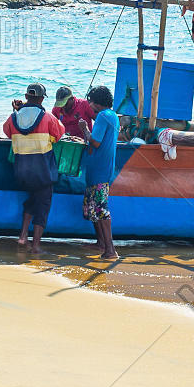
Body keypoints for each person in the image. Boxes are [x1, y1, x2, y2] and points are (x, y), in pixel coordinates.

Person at [3, 82, 65, 254]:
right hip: (43, 171)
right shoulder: (48, 118)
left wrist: (18, 111)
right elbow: (60, 133)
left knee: (31, 199)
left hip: (21, 171)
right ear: (41, 99)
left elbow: (7, 132)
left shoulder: (13, 117)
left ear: (26, 97)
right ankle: (36, 245)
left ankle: (23, 236)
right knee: (43, 205)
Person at [83, 85, 120, 260]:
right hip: (101, 167)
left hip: (99, 168)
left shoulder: (103, 116)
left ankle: (110, 249)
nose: (89, 105)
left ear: (97, 102)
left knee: (100, 208)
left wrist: (84, 129)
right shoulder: (112, 115)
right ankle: (101, 243)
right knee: (94, 207)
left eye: (91, 101)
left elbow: (95, 142)